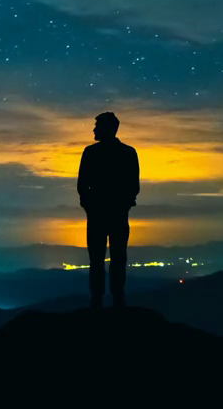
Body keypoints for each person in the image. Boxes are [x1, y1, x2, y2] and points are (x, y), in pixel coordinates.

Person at [76, 111, 140, 308]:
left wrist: (90, 204)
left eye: (97, 126)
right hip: (111, 214)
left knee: (102, 260)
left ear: (109, 128)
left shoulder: (93, 153)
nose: (94, 130)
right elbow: (133, 187)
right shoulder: (127, 153)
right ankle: (112, 299)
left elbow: (82, 185)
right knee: (113, 259)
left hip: (105, 214)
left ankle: (103, 300)